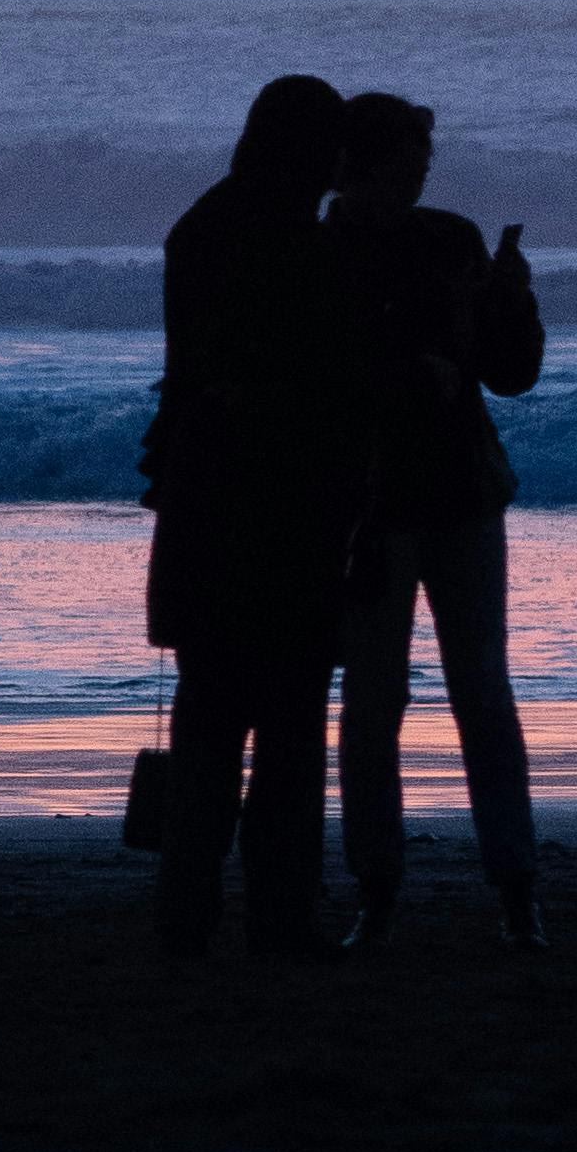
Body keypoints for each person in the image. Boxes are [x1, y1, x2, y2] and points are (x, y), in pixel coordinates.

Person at [143, 73, 375, 962]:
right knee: (287, 723)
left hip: (208, 501)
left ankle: (187, 911)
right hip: (284, 508)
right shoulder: (301, 246)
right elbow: (322, 385)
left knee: (210, 716)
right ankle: (278, 914)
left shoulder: (201, 229)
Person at [328, 87, 545, 946]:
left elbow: (510, 371)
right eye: (407, 163)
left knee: (475, 690)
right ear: (364, 166)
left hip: (451, 493)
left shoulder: (449, 239)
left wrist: (513, 299)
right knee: (380, 700)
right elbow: (320, 372)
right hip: (376, 504)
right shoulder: (328, 253)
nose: (420, 175)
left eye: (423, 162)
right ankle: (383, 887)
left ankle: (512, 886)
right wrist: (408, 372)